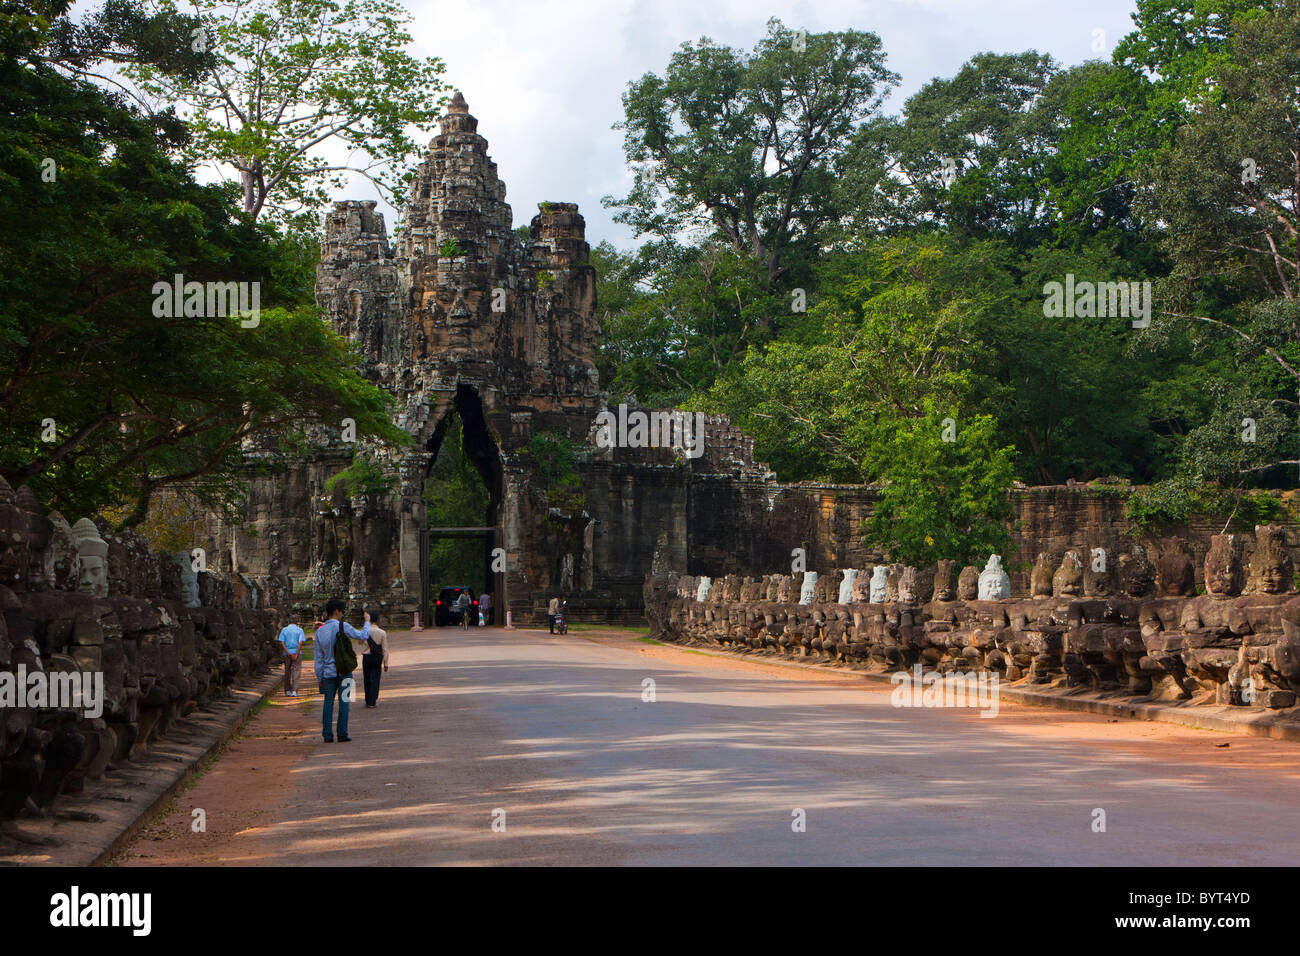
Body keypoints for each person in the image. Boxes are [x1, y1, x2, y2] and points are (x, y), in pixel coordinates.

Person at [314, 600, 371, 743]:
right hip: (345, 672)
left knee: (328, 703)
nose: (343, 613)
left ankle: (327, 735)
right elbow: (363, 636)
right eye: (342, 611)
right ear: (337, 611)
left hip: (327, 674)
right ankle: (342, 733)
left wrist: (320, 678)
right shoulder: (343, 626)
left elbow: (318, 659)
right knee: (345, 702)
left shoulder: (320, 631)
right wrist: (367, 622)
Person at [361, 611, 389, 708]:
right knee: (375, 679)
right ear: (377, 620)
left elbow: (360, 642)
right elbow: (385, 649)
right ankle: (372, 701)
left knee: (367, 679)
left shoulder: (365, 631)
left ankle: (367, 699)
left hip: (366, 657)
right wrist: (386, 663)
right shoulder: (382, 632)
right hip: (377, 657)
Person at [277, 613, 305, 697]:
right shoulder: (300, 630)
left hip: (286, 653)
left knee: (287, 671)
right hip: (297, 653)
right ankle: (294, 691)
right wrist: (296, 654)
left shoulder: (284, 630)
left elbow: (282, 642)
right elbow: (300, 643)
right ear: (297, 621)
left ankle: (287, 691)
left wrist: (288, 653)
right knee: (296, 671)